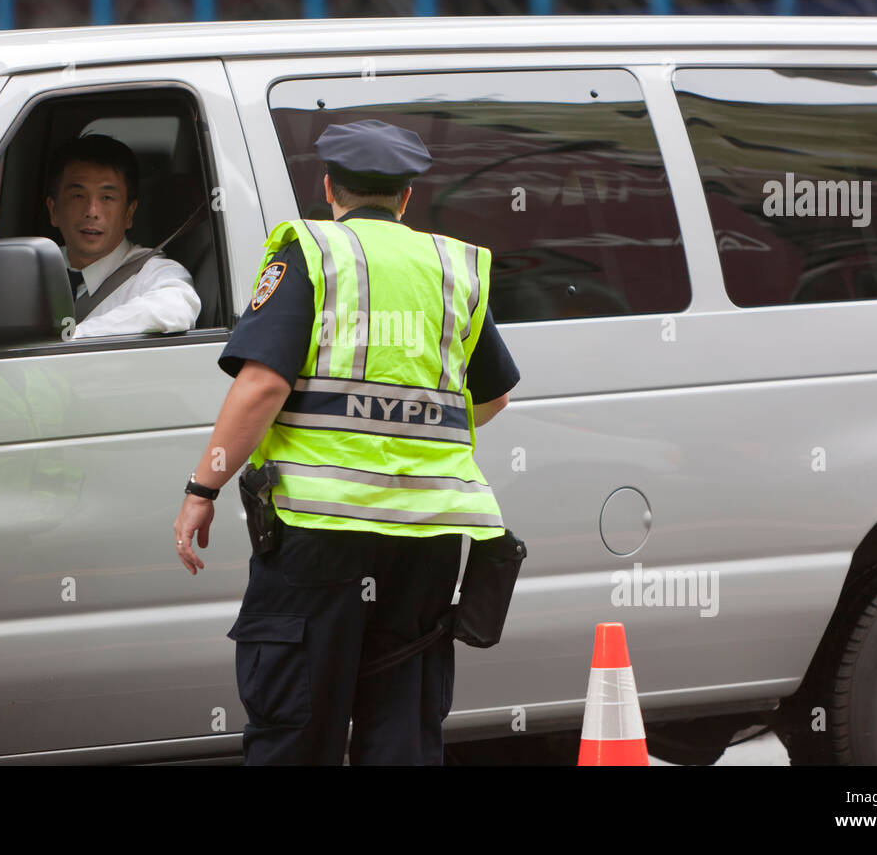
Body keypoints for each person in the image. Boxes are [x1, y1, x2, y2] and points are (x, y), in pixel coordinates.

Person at [172, 119, 521, 765]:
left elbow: (261, 387)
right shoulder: (451, 266)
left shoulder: (312, 252)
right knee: (403, 728)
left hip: (322, 536)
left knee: (297, 724)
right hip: (429, 540)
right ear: (406, 198)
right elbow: (493, 397)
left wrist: (204, 488)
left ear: (328, 188)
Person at [45, 134, 200, 339]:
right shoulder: (35, 272)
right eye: (78, 196)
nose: (92, 211)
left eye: (107, 197)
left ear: (129, 213)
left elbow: (175, 308)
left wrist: (75, 336)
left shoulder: (154, 273)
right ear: (54, 210)